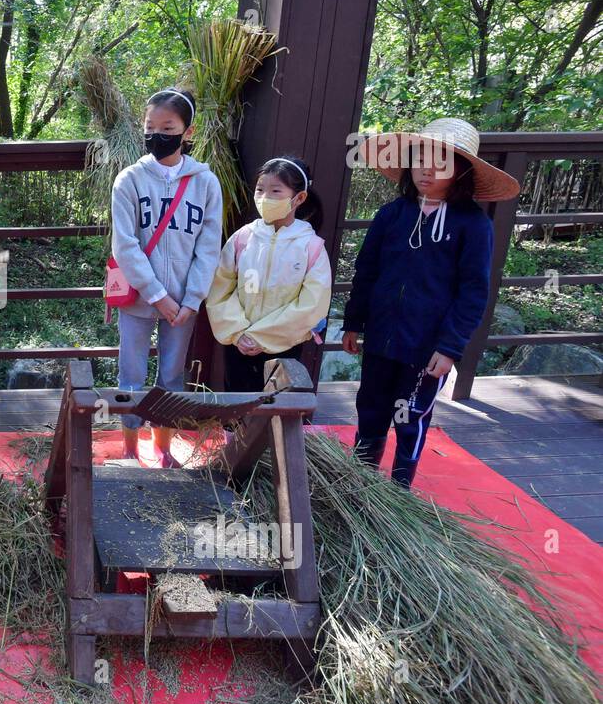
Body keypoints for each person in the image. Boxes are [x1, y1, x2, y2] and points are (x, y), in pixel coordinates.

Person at [343, 117, 519, 487]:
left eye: (441, 162)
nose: (428, 169)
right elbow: (367, 271)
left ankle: (399, 489)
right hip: (381, 337)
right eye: (421, 158)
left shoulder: (473, 225)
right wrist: (354, 321)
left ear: (461, 171)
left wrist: (450, 346)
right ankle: (359, 485)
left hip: (428, 347)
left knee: (410, 415)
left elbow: (473, 290)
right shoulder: (391, 215)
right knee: (371, 407)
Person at [109, 87, 223, 467]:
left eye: (168, 127)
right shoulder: (129, 180)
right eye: (150, 126)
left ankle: (163, 449)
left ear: (187, 131)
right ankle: (128, 450)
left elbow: (209, 246)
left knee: (172, 376)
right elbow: (124, 245)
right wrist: (157, 294)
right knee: (131, 374)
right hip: (142, 297)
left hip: (184, 304)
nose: (158, 134)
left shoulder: (205, 183)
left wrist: (192, 299)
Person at [206, 156, 332, 392]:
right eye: (260, 190)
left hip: (284, 345)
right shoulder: (243, 238)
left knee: (275, 408)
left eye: (275, 191)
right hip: (239, 342)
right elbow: (220, 289)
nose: (264, 198)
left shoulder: (311, 247)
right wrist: (238, 332)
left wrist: (262, 337)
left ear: (299, 198)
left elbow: (312, 305)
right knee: (237, 405)